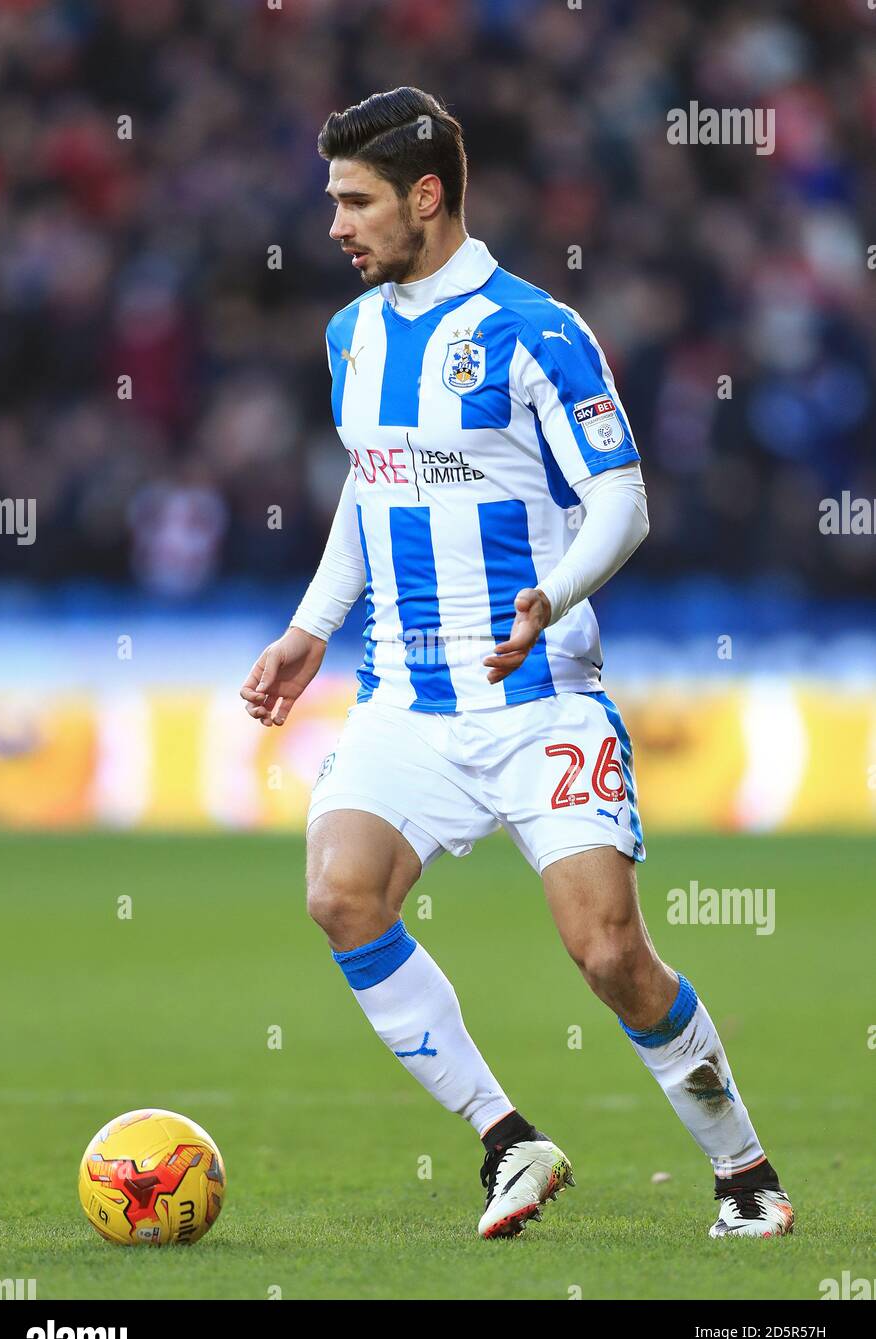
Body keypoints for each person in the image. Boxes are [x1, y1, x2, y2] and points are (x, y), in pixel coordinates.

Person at [241, 87, 793, 1240]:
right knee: (341, 894)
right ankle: (511, 1139)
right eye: (332, 200)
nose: (335, 224)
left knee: (609, 952)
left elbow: (623, 498)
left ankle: (743, 1174)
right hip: (405, 694)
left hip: (539, 697)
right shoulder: (352, 335)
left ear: (426, 197)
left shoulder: (536, 330)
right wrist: (311, 624)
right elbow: (369, 481)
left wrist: (558, 593)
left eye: (357, 201)